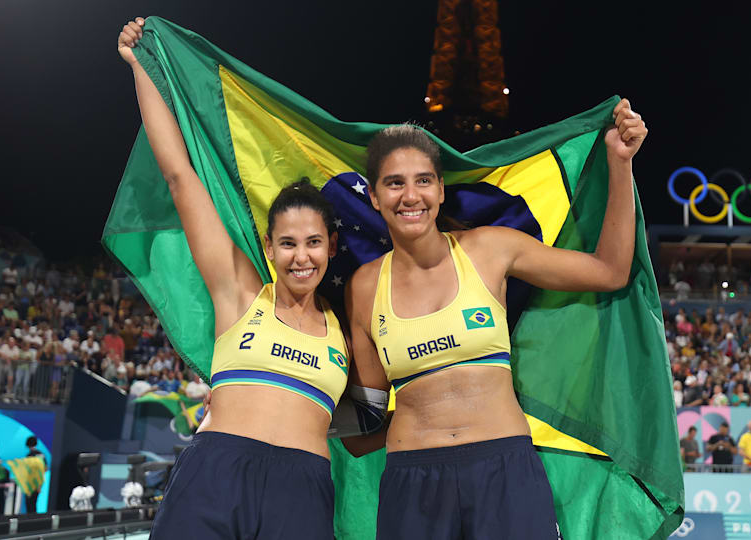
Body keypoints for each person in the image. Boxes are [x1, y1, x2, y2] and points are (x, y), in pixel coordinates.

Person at [344, 97, 646, 537]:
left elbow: (610, 271)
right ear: (373, 196)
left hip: (505, 469)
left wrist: (619, 163)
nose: (411, 196)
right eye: (394, 183)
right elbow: (362, 428)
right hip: (413, 479)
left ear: (441, 189)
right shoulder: (364, 287)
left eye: (423, 180)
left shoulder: (491, 249)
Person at [119, 18, 364, 538]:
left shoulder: (348, 331)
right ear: (270, 248)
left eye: (314, 242)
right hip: (217, 472)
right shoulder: (241, 293)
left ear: (332, 246)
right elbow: (180, 176)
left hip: (303, 489)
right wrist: (143, 67)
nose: (301, 257)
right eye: (288, 244)